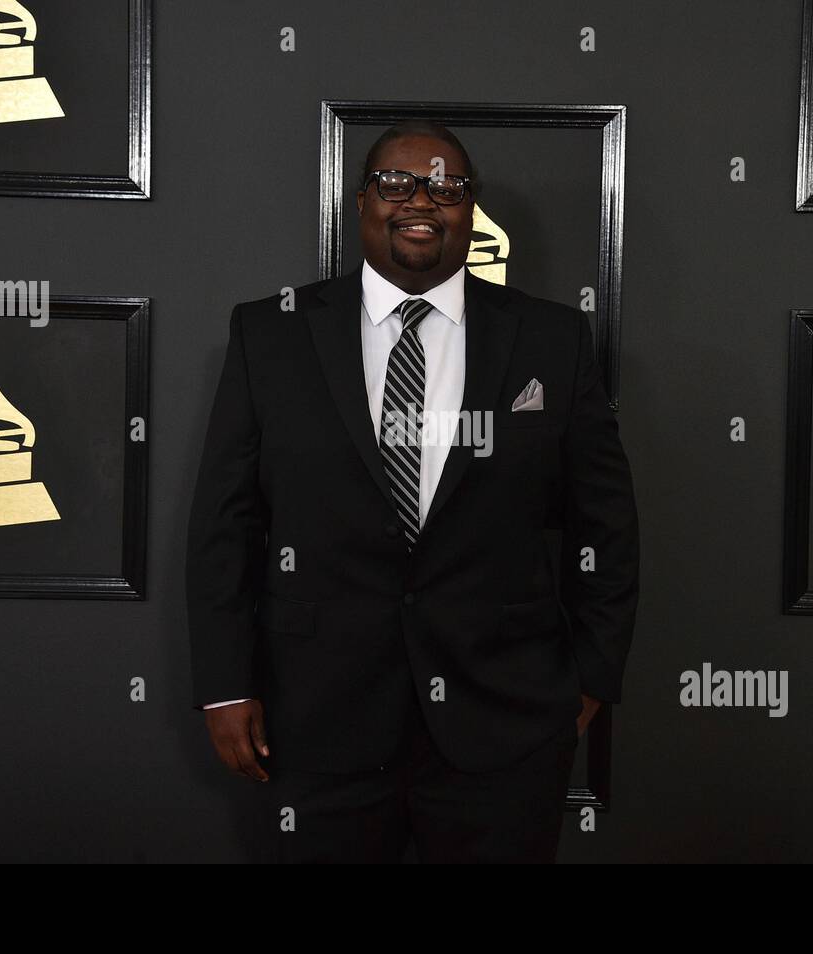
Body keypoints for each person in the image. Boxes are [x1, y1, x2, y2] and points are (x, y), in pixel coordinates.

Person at [186, 119, 639, 862]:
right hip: (316, 721)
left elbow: (607, 525)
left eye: (447, 187)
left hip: (504, 724)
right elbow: (224, 526)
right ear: (361, 202)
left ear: (470, 210)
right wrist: (225, 685)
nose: (420, 200)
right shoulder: (271, 334)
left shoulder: (553, 340)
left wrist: (589, 678)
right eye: (396, 183)